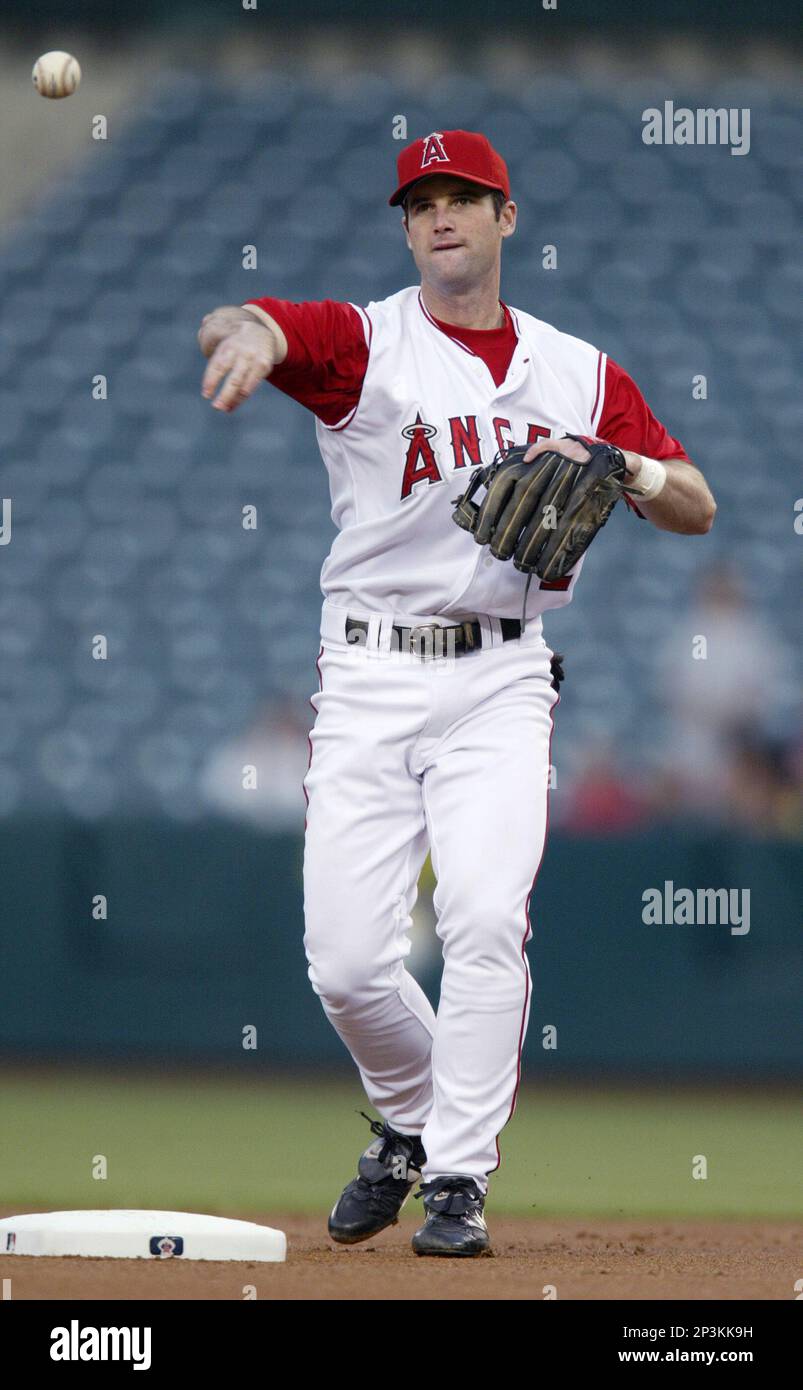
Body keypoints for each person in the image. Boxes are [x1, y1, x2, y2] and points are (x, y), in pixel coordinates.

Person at [198, 130, 715, 1257]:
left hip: (501, 674)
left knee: (484, 917)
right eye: (420, 200)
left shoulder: (577, 372)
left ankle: (456, 1180)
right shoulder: (368, 342)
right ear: (405, 227)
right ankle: (407, 1118)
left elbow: (696, 504)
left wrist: (625, 467)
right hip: (368, 674)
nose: (440, 215)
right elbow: (273, 325)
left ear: (504, 218)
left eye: (464, 198)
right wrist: (242, 331)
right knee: (343, 963)